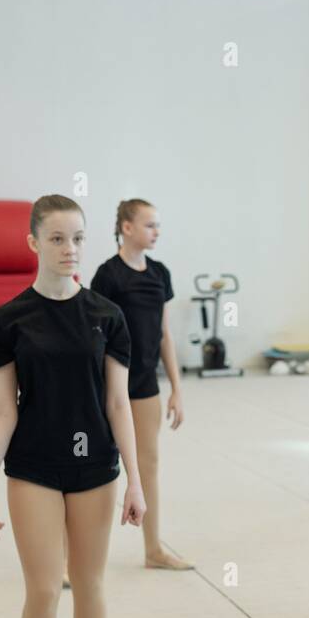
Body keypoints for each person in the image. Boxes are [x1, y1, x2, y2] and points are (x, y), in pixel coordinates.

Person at [0, 195, 146, 618]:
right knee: (45, 589)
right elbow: (3, 408)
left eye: (76, 238)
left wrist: (136, 481)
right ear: (33, 243)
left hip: (96, 467)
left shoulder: (107, 316)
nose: (69, 249)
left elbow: (119, 404)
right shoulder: (10, 319)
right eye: (56, 239)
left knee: (91, 585)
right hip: (33, 467)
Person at [90, 199, 192, 570]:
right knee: (98, 468)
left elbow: (164, 333)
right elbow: (96, 335)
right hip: (108, 386)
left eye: (158, 225)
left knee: (147, 466)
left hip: (146, 384)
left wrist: (177, 389)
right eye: (150, 225)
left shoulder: (159, 273)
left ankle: (153, 550)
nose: (157, 232)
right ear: (127, 228)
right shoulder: (108, 275)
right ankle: (78, 558)